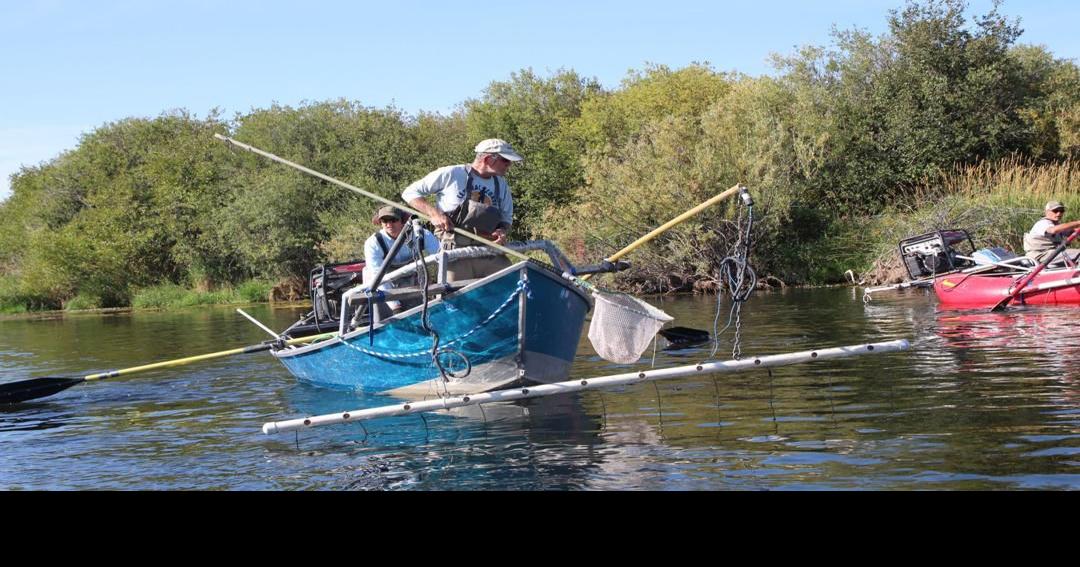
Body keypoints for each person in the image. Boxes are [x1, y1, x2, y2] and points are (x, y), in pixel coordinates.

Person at [401, 138, 522, 280]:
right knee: (457, 299)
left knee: (512, 285)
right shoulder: (451, 173)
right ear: (489, 159)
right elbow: (409, 193)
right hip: (455, 255)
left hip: (489, 252)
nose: (509, 165)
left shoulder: (501, 184)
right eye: (506, 161)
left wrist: (502, 230)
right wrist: (434, 214)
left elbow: (506, 217)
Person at [362, 205, 440, 314]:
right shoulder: (373, 243)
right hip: (383, 284)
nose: (389, 224)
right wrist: (395, 306)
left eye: (393, 220)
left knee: (421, 314)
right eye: (385, 221)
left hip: (413, 279)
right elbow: (377, 275)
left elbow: (439, 254)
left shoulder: (419, 233)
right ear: (380, 222)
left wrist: (441, 286)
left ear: (402, 220)